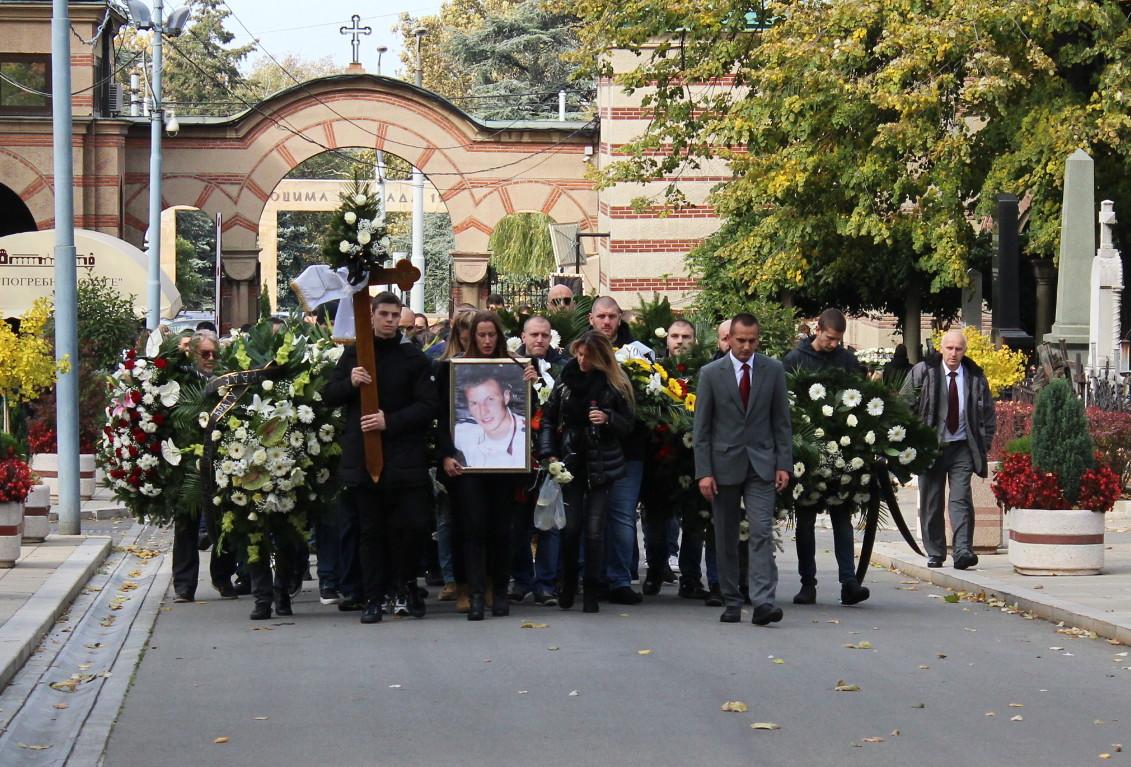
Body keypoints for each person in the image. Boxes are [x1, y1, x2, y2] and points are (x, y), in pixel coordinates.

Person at [324, 292, 439, 624]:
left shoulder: (412, 358)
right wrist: (351, 382)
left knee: (413, 526)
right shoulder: (355, 354)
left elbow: (428, 405)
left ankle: (404, 587)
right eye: (384, 314)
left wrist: (392, 420)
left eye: (394, 315)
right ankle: (373, 597)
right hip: (364, 459)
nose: (389, 320)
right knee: (370, 531)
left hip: (405, 458)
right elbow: (329, 395)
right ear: (371, 316)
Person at [693, 313, 792, 625]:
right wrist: (704, 471)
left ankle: (763, 602)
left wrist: (783, 464)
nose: (746, 346)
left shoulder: (773, 370)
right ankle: (732, 600)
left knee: (762, 531)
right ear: (729, 339)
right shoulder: (711, 374)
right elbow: (702, 428)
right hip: (723, 465)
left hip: (762, 463)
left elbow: (781, 421)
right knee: (725, 535)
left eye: (752, 341)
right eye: (741, 340)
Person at [539, 331, 635, 612]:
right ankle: (569, 584)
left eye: (587, 356)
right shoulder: (565, 380)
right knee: (571, 528)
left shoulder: (614, 383)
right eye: (578, 354)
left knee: (594, 530)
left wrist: (608, 419)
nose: (581, 360)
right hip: (571, 459)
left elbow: (629, 424)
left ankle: (592, 588)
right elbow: (548, 418)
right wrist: (549, 453)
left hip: (602, 462)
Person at [782, 308, 870, 606]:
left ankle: (849, 582)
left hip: (841, 449)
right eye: (830, 338)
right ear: (817, 329)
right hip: (807, 451)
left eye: (838, 340)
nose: (834, 344)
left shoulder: (846, 360)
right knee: (805, 522)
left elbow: (861, 394)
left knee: (841, 517)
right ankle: (808, 585)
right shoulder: (795, 360)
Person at [438, 311, 522, 621]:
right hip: (466, 466)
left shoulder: (515, 367)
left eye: (492, 335)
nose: (487, 341)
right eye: (481, 335)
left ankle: (499, 593)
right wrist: (446, 455)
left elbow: (531, 410)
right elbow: (442, 417)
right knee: (472, 529)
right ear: (471, 337)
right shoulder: (453, 368)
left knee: (502, 529)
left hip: (505, 466)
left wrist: (530, 381)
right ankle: (474, 595)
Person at [901, 329, 996, 570]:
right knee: (932, 502)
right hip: (931, 447)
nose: (953, 353)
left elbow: (987, 414)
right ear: (941, 348)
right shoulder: (924, 372)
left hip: (962, 447)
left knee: (961, 498)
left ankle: (963, 550)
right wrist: (911, 443)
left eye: (959, 349)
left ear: (965, 351)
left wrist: (982, 446)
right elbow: (904, 407)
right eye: (950, 348)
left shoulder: (974, 376)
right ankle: (935, 552)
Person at [588, 296, 651, 603]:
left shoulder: (639, 354)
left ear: (620, 319)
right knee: (593, 517)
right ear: (591, 319)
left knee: (623, 515)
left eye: (612, 316)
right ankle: (592, 576)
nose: (607, 322)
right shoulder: (580, 352)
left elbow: (647, 405)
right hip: (591, 451)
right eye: (601, 316)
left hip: (628, 449)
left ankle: (620, 579)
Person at [171, 331, 238, 603]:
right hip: (189, 462)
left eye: (214, 354)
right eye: (205, 354)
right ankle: (184, 586)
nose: (210, 359)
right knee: (186, 525)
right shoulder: (182, 379)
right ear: (193, 353)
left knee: (225, 522)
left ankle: (222, 578)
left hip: (221, 459)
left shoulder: (227, 379)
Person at [509, 315, 566, 605]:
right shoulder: (508, 363)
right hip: (516, 453)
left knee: (549, 521)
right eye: (534, 335)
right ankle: (521, 580)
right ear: (523, 336)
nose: (539, 340)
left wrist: (540, 381)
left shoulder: (561, 366)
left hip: (551, 453)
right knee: (517, 523)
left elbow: (560, 404)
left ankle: (545, 582)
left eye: (544, 335)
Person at [453, 369, 527, 469]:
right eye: (474, 403)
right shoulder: (463, 431)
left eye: (490, 399)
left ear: (506, 397)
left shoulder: (526, 436)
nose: (483, 411)